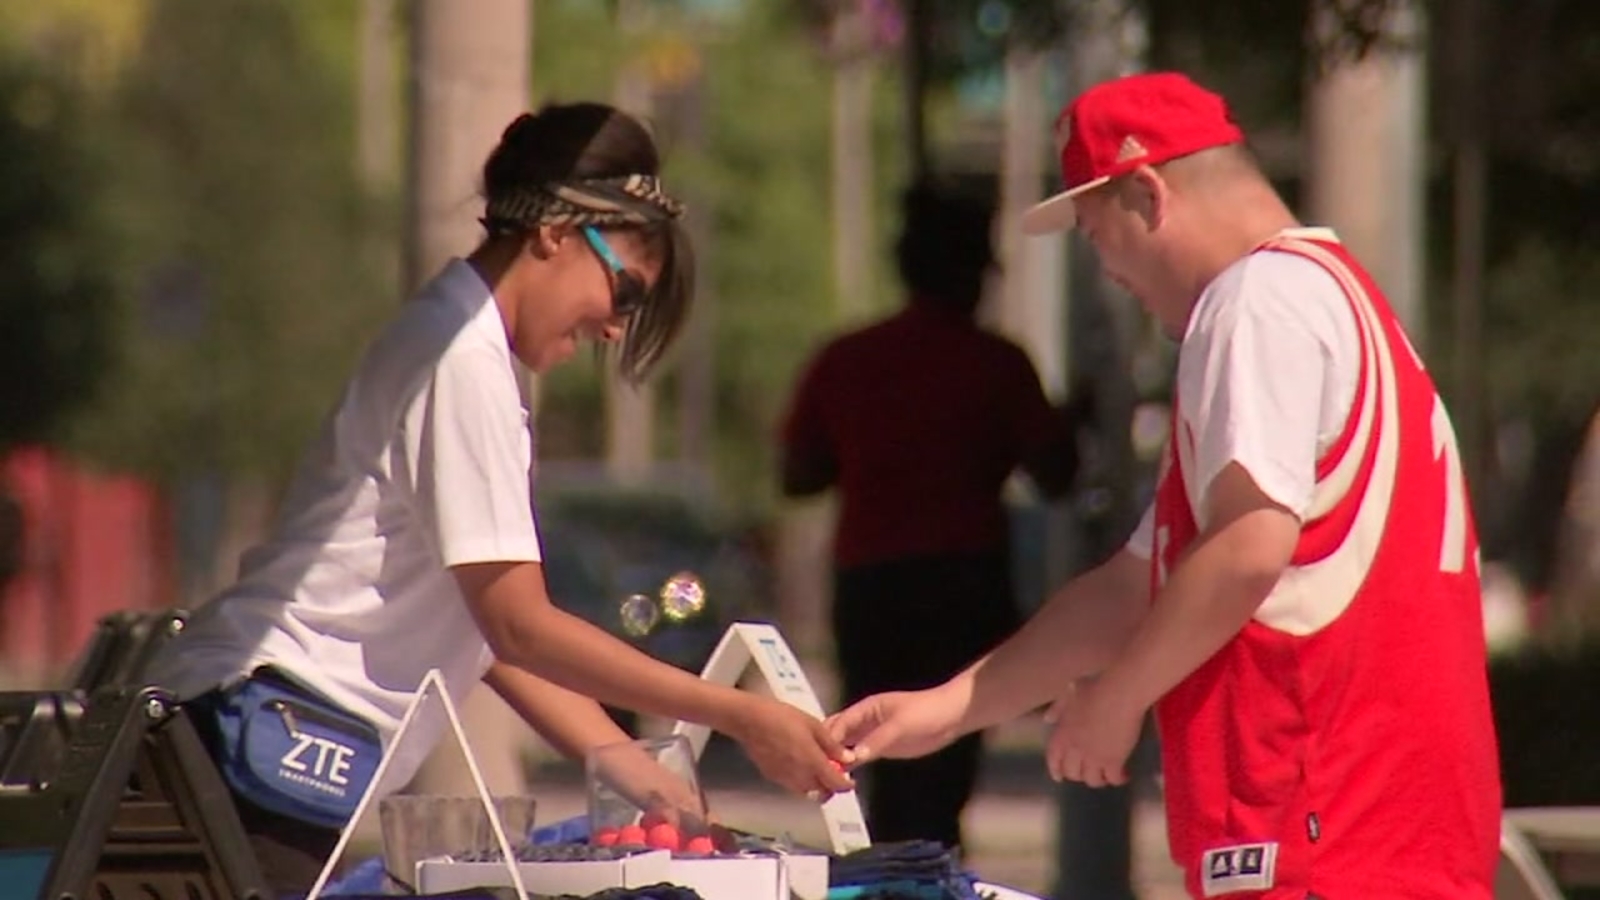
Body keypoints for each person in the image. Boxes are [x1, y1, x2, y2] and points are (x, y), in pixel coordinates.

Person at [146, 102, 853, 894]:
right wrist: (739, 714)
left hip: (259, 749)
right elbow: (520, 625)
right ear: (555, 231)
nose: (618, 329)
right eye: (624, 291)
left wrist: (634, 768)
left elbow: (483, 631)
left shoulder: (458, 343)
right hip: (257, 753)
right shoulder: (461, 361)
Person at [827, 72, 1501, 899]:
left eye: (1096, 233)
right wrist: (947, 706)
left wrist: (1119, 699)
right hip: (1389, 830)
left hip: (1316, 826)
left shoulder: (1255, 300)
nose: (1109, 273)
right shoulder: (1336, 297)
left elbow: (1250, 547)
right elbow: (1139, 585)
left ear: (1148, 195)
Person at [778, 180, 1083, 849]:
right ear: (973, 276)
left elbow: (798, 475)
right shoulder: (997, 364)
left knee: (876, 757)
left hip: (872, 582)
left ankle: (894, 874)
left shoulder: (846, 360)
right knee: (946, 764)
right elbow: (1057, 474)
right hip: (964, 582)